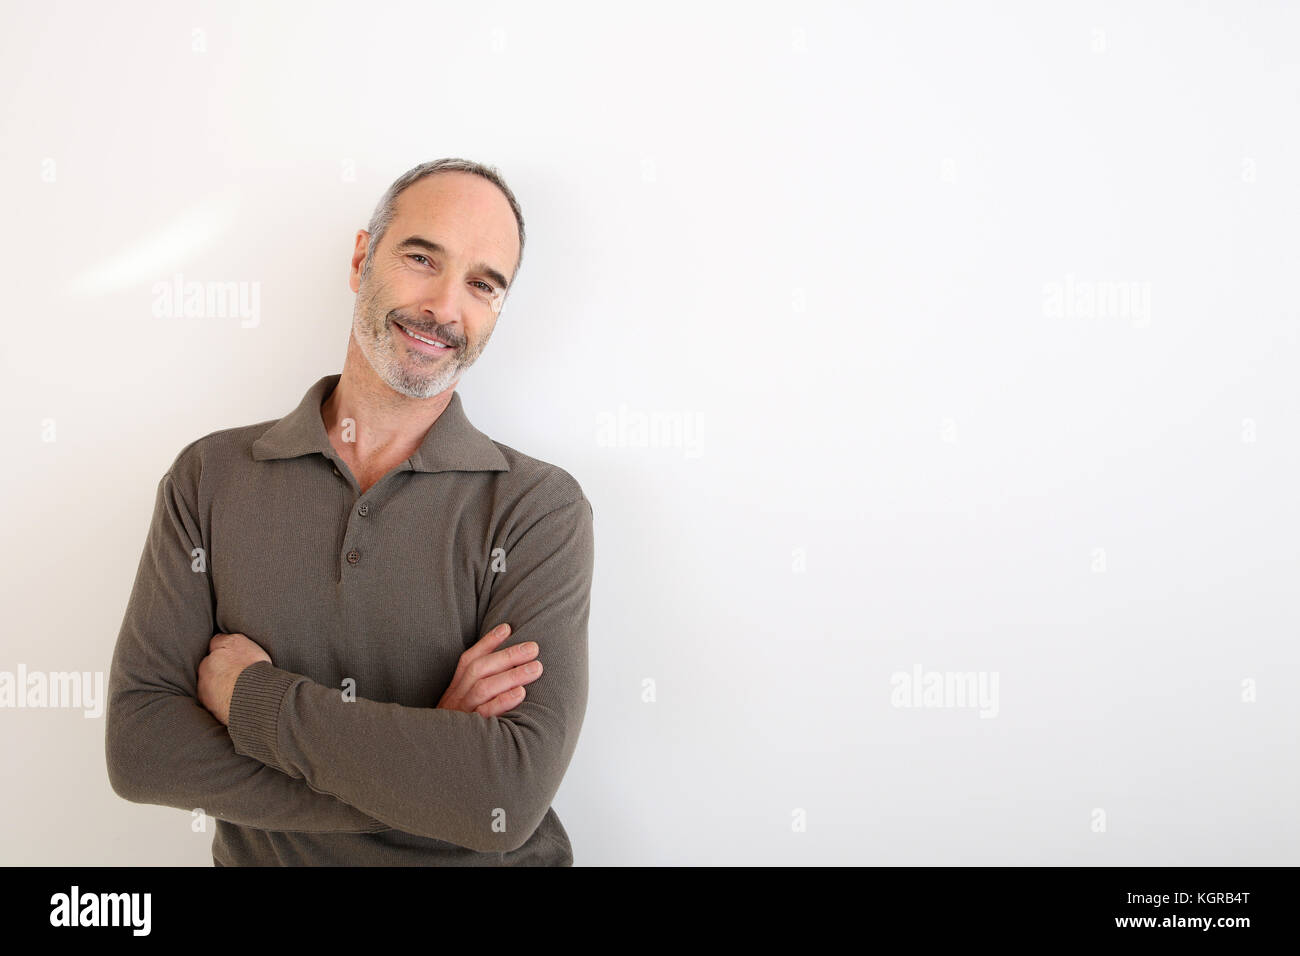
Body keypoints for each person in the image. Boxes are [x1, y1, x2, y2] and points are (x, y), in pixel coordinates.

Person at [105, 159, 594, 866]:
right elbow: (143, 750)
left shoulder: (538, 509)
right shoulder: (210, 478)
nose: (444, 308)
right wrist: (428, 769)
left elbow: (504, 800)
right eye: (423, 257)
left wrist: (252, 698)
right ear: (363, 258)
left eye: (483, 284)